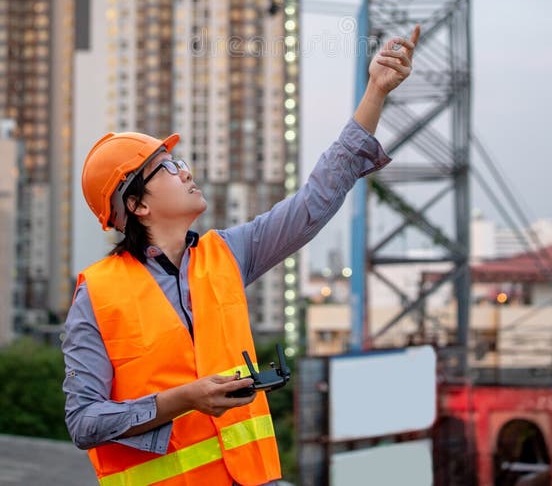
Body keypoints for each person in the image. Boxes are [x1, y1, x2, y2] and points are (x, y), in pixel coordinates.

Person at [63, 27, 420, 486]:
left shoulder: (225, 255)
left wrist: (375, 91)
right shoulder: (96, 295)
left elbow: (316, 200)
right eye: (168, 167)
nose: (185, 170)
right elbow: (84, 423)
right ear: (137, 205)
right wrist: (185, 398)